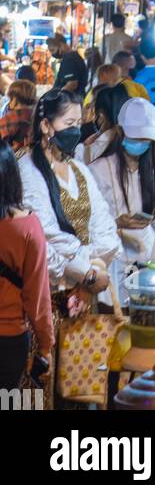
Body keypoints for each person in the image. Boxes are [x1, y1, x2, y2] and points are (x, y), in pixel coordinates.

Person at [18, 91, 120, 303]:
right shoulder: (28, 169)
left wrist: (97, 265)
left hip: (87, 288)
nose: (76, 130)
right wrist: (84, 271)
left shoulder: (78, 169)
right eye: (69, 123)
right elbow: (45, 234)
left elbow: (103, 221)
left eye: (79, 123)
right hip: (50, 293)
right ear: (46, 125)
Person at [89, 98, 155, 298]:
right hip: (114, 264)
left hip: (148, 262)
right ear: (121, 132)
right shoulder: (98, 170)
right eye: (136, 138)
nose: (141, 144)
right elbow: (90, 226)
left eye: (145, 140)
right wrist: (117, 223)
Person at [0, 139, 54, 390]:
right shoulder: (28, 227)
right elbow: (38, 295)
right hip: (9, 339)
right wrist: (45, 346)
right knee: (11, 403)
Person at [78, 84, 129, 164]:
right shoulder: (132, 137)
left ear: (101, 115)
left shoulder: (98, 144)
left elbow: (79, 162)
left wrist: (82, 146)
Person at [0, 79, 37, 152]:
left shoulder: (11, 118)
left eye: (9, 99)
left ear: (14, 100)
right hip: (30, 155)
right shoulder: (35, 115)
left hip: (9, 157)